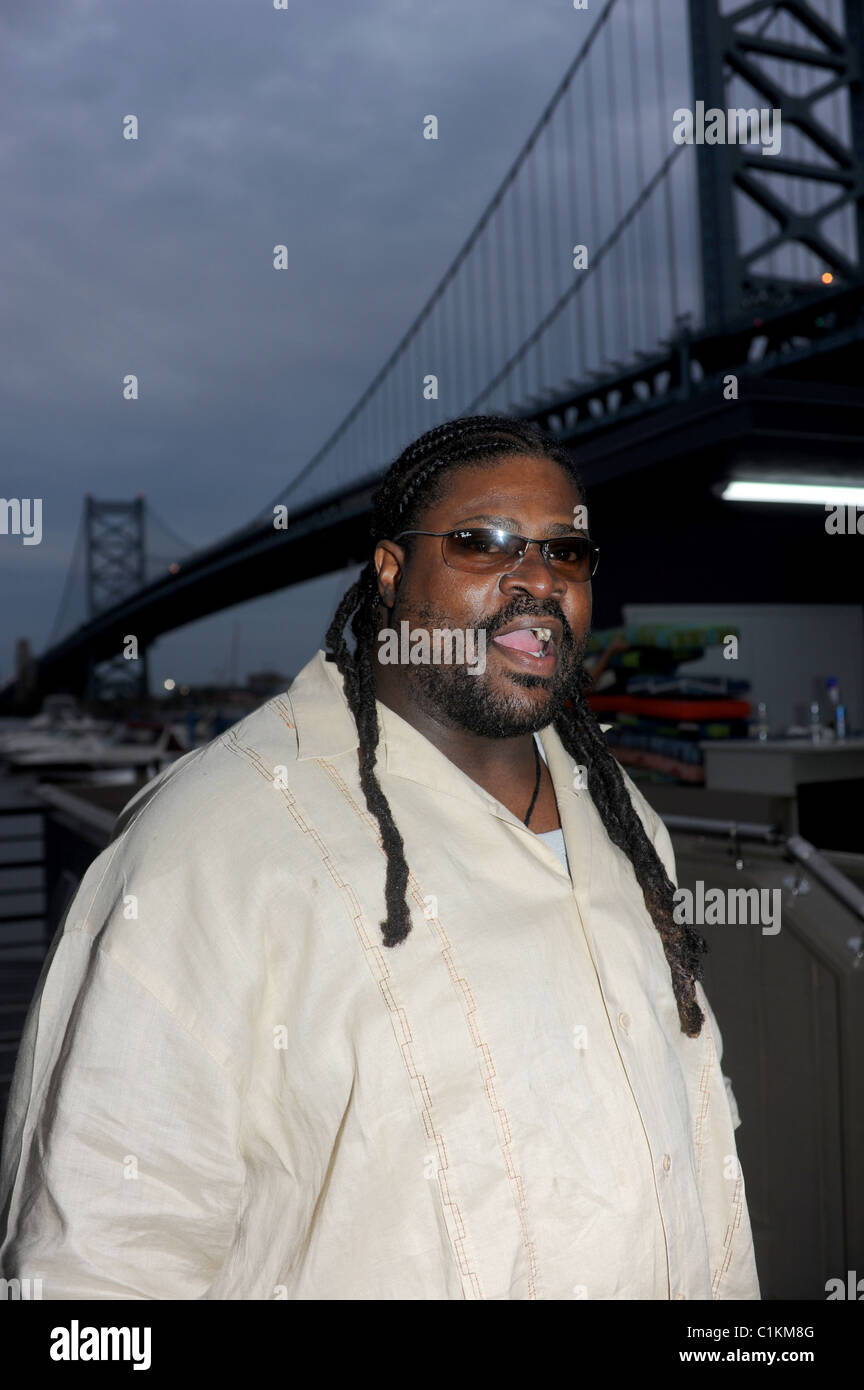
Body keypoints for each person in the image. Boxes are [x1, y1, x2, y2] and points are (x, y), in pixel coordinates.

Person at [0, 415, 760, 1300]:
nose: (537, 581)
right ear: (391, 571)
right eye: (482, 544)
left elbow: (701, 1152)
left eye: (568, 553)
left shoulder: (620, 815)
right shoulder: (215, 843)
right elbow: (97, 1266)